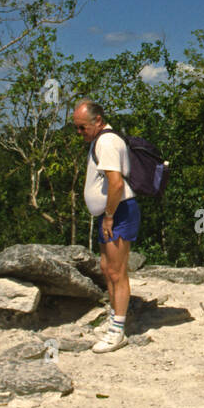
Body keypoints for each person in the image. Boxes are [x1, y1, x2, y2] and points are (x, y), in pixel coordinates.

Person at [72, 99, 140, 353]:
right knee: (106, 268)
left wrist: (110, 216)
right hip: (111, 213)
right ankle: (114, 321)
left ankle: (117, 331)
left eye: (82, 127)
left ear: (98, 121)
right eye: (76, 128)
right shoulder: (101, 141)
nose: (80, 133)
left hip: (119, 212)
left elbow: (116, 184)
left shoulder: (107, 142)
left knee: (116, 272)